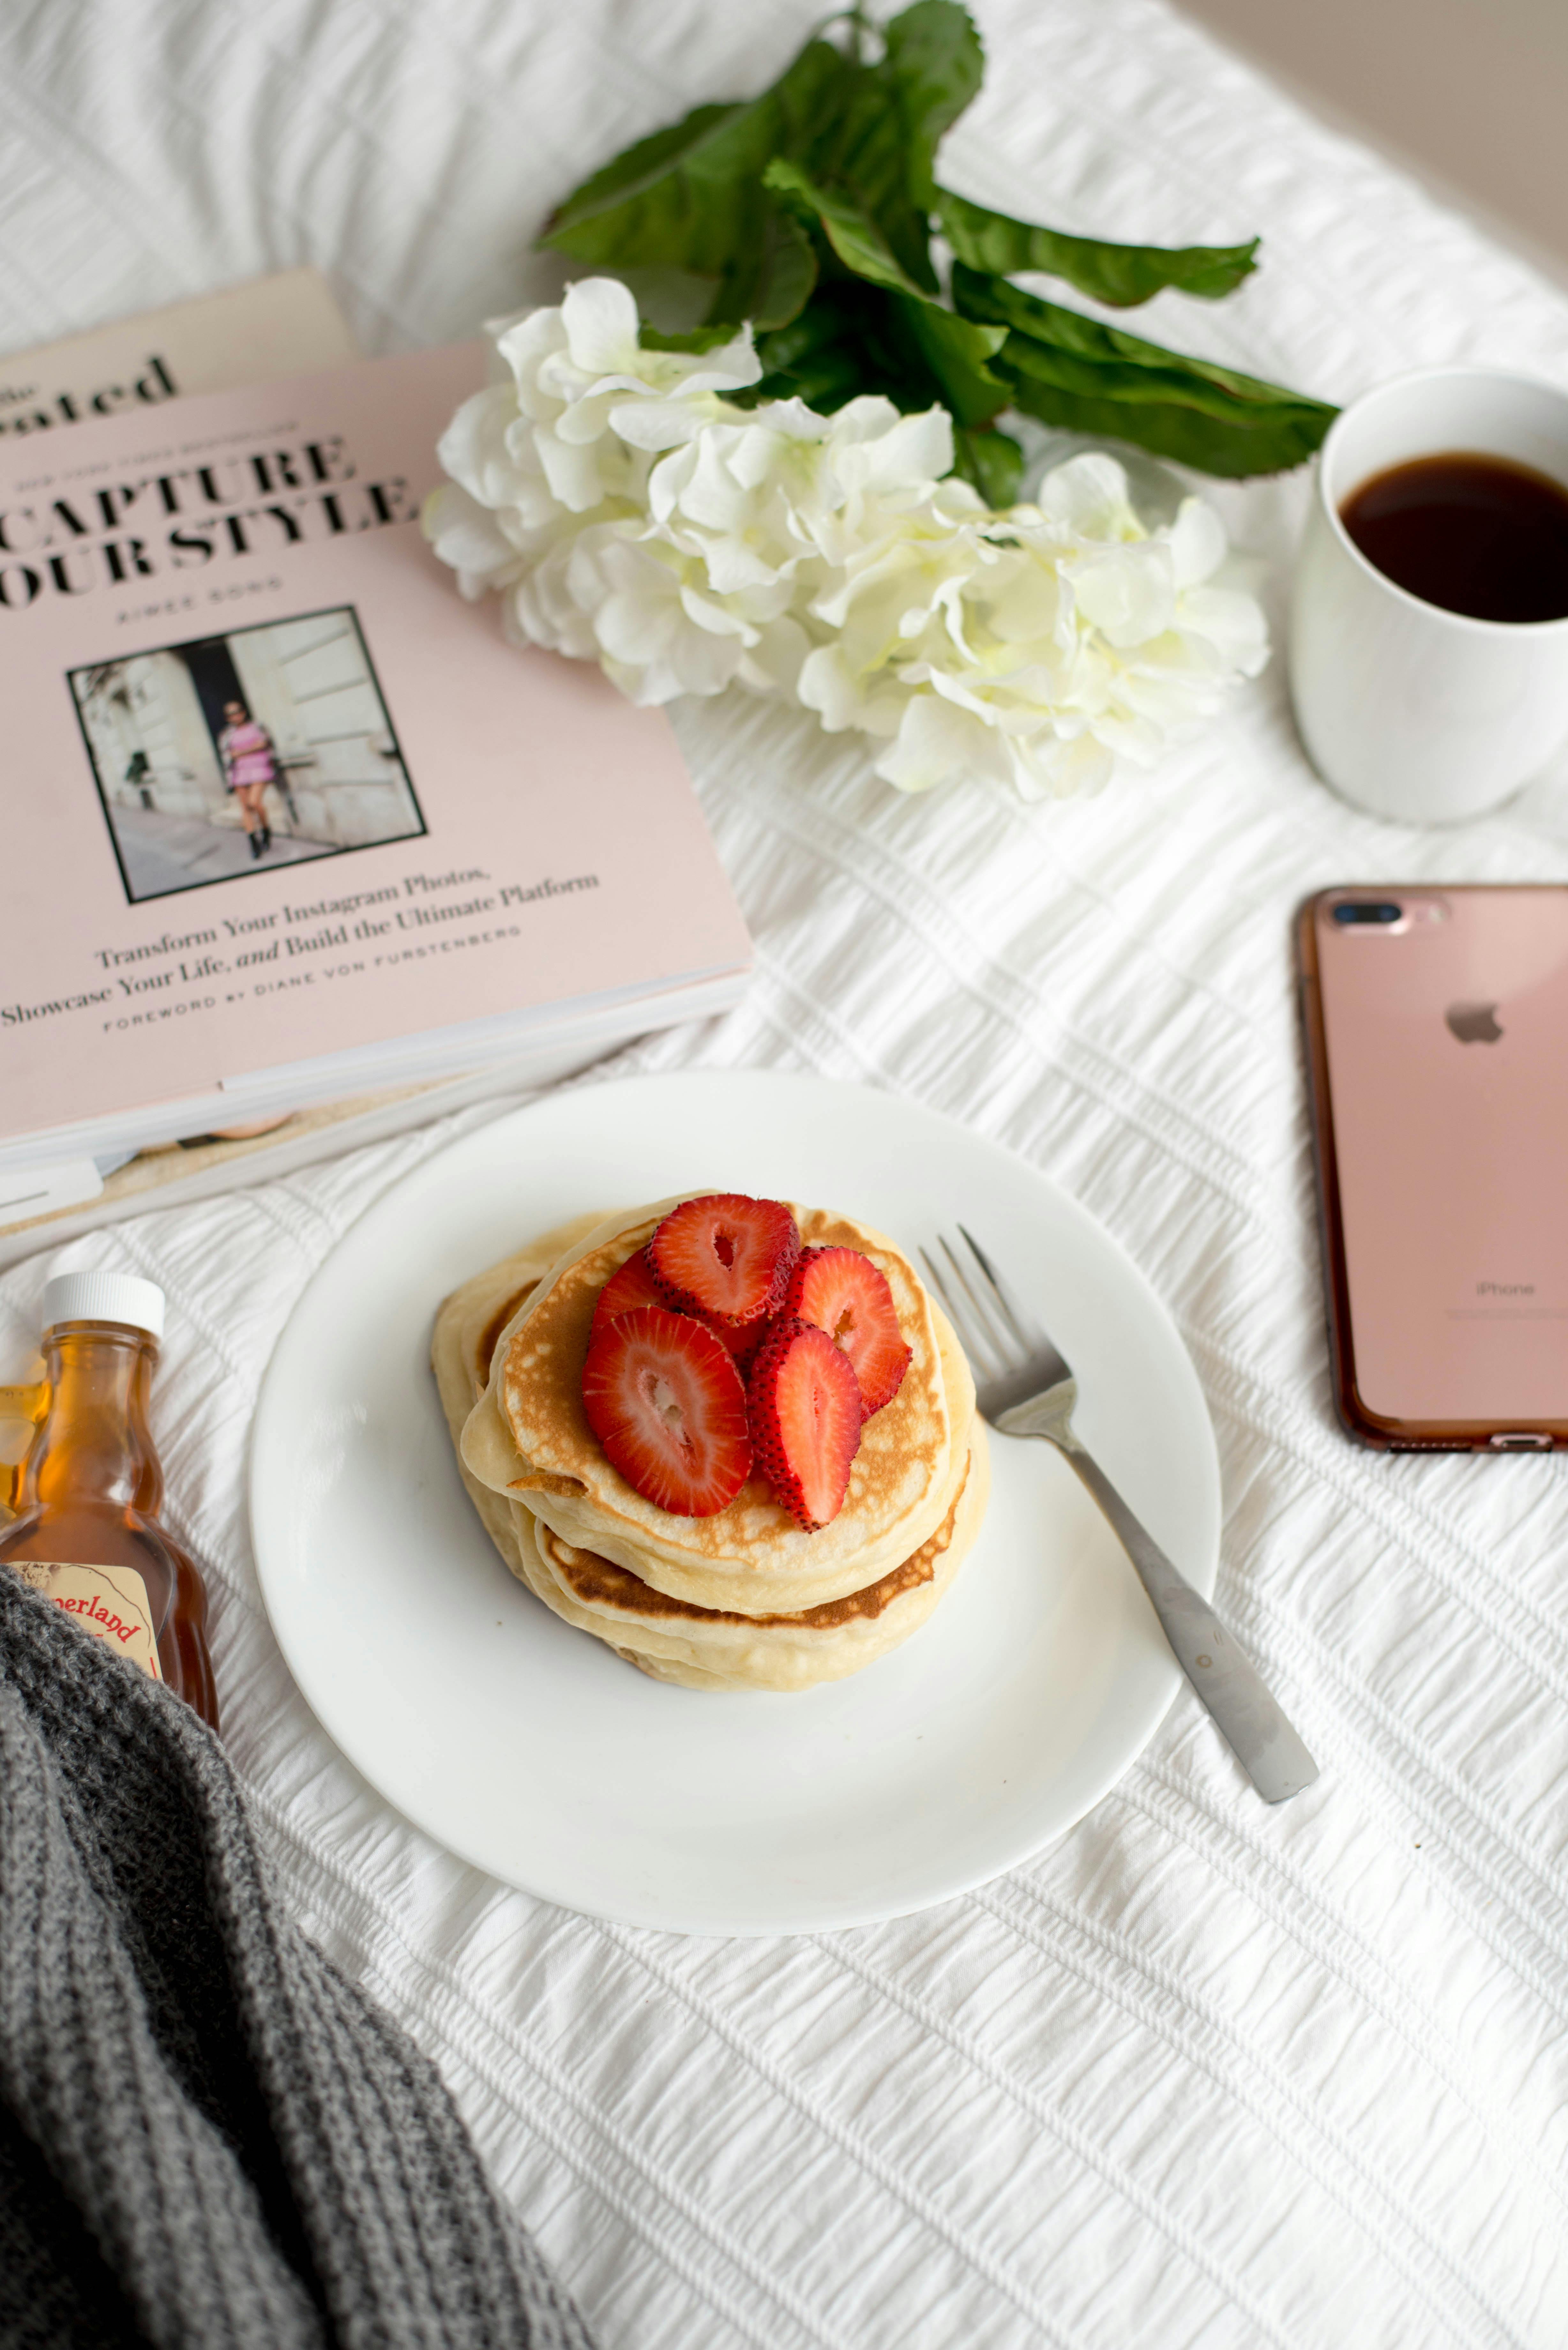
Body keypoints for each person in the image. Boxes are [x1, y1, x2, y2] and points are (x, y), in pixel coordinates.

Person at [217, 697, 281, 858]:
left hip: (260, 767)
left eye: (238, 712)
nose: (235, 716)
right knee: (245, 807)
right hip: (239, 771)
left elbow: (264, 744)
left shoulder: (257, 727)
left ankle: (266, 829)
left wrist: (241, 752)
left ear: (244, 712)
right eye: (231, 714)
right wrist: (251, 749)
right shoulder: (226, 735)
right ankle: (253, 842)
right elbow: (229, 754)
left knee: (255, 803)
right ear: (227, 718)